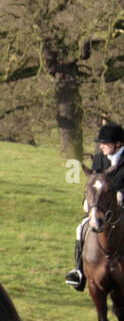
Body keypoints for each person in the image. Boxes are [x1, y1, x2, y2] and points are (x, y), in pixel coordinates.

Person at [66, 122, 124, 290]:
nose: (101, 146)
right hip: (101, 207)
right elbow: (93, 181)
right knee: (80, 228)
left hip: (122, 206)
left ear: (118, 144)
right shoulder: (99, 158)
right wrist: (87, 200)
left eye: (105, 143)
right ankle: (78, 272)